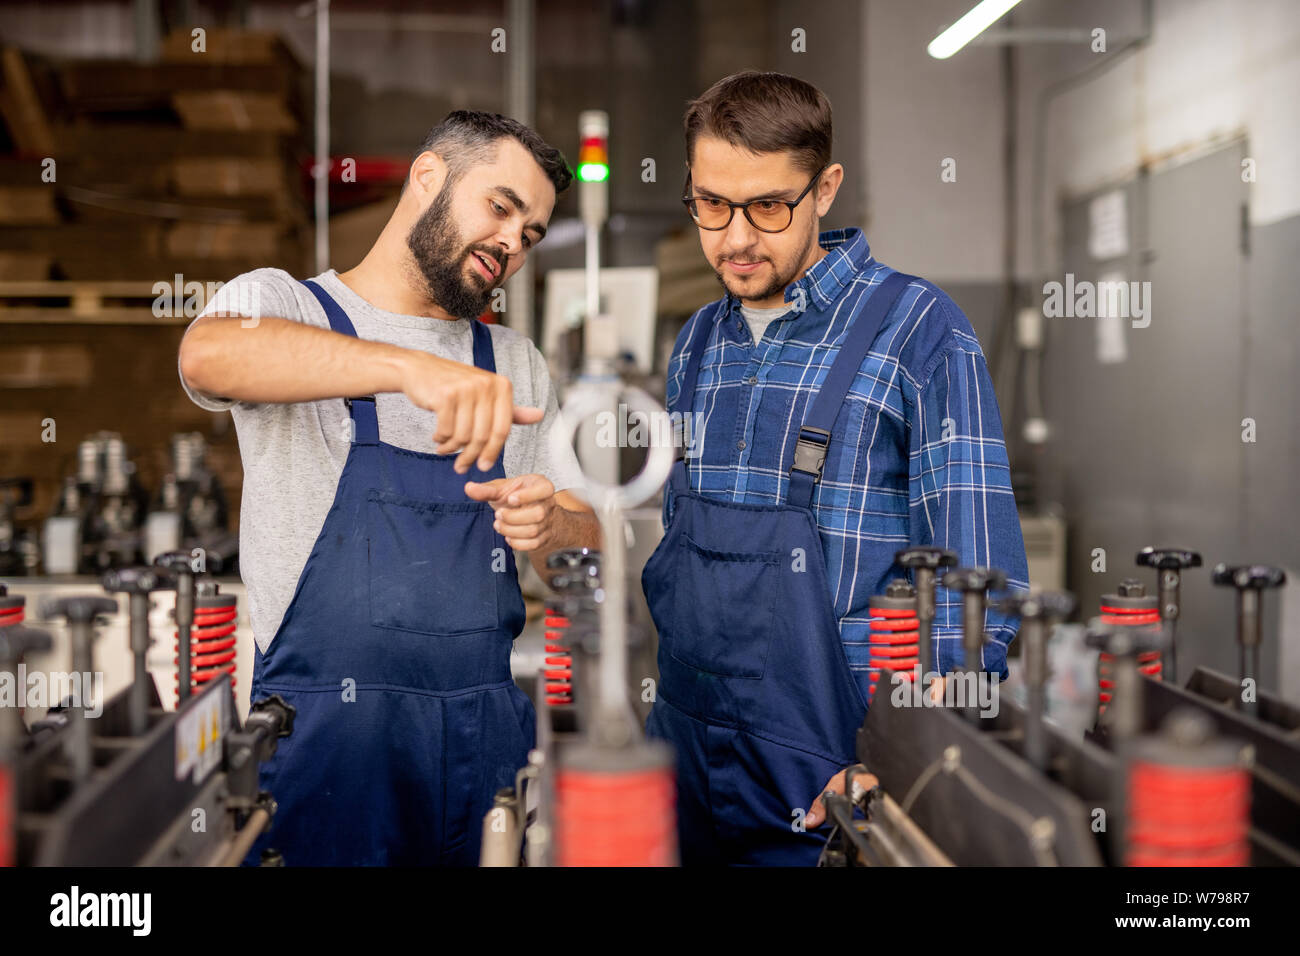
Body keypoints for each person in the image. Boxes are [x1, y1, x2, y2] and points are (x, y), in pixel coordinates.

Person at [177, 110, 601, 865]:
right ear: (428, 177)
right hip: (330, 751)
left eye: (530, 234)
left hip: (482, 752)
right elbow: (207, 354)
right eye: (501, 207)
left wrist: (556, 528)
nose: (512, 242)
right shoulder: (289, 304)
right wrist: (409, 368)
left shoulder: (516, 361)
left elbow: (585, 539)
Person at [642, 72, 1030, 865]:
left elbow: (981, 591)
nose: (736, 239)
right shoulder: (695, 344)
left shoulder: (918, 333)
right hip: (683, 765)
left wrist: (901, 759)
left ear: (825, 188)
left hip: (833, 784)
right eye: (711, 205)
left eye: (768, 207)